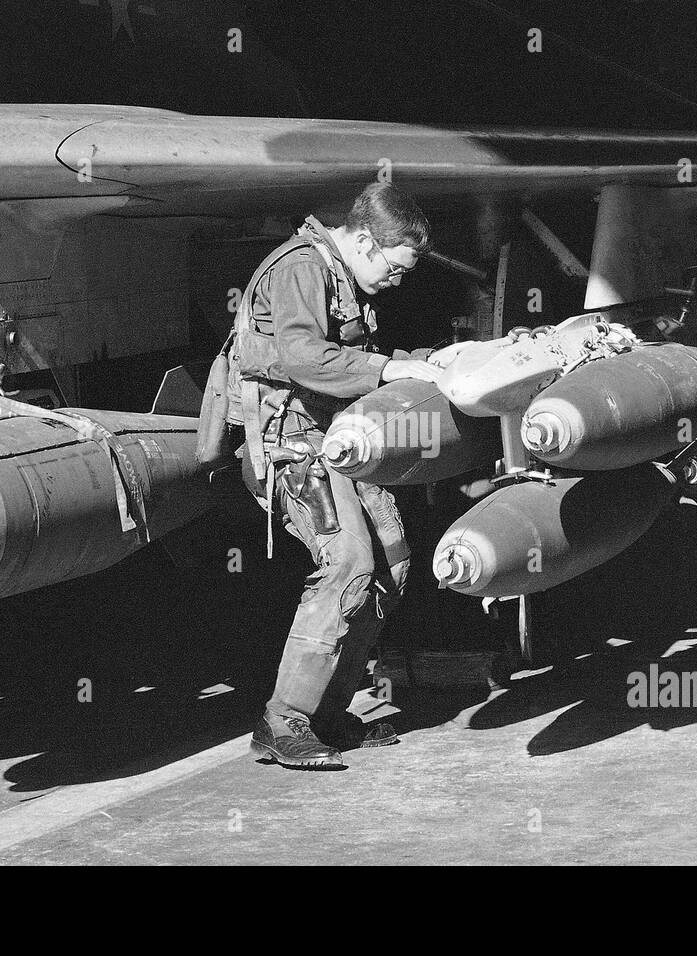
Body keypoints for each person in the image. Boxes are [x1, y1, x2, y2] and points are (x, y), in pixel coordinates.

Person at [225, 183, 471, 769]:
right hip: (292, 445)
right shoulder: (300, 269)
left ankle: (327, 712)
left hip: (336, 439)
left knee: (392, 559)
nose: (397, 281)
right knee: (348, 564)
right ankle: (282, 721)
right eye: (394, 267)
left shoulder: (340, 272)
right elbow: (301, 357)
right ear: (363, 239)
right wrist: (388, 368)